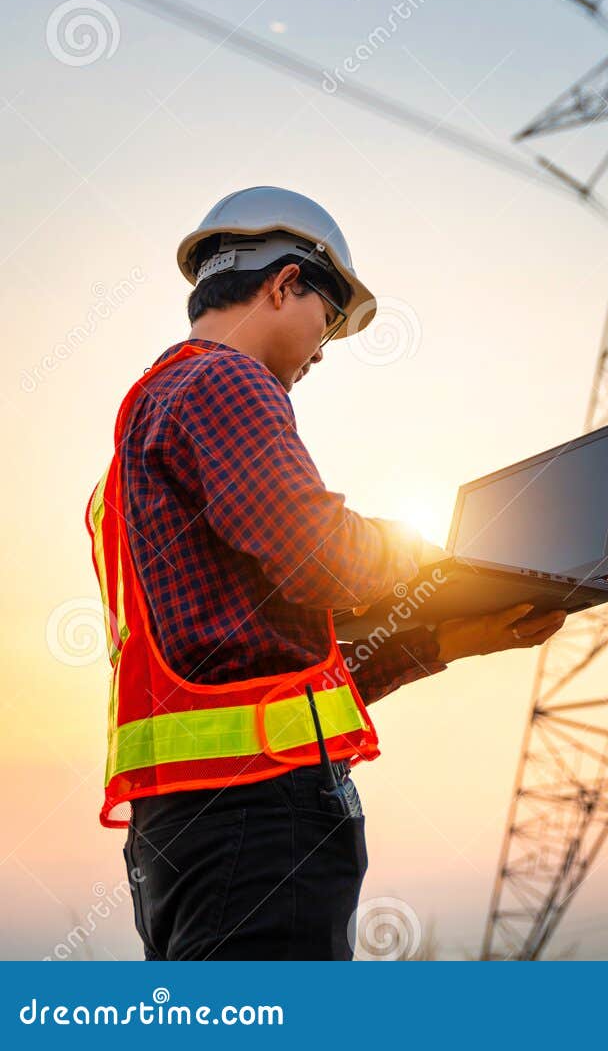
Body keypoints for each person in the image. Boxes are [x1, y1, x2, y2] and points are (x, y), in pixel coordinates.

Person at [87, 186, 564, 960]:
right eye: (328, 323)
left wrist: (452, 637)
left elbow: (264, 676)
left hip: (192, 829)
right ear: (283, 284)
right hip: (256, 825)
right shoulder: (226, 383)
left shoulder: (140, 436)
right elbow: (320, 558)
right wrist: (433, 558)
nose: (321, 352)